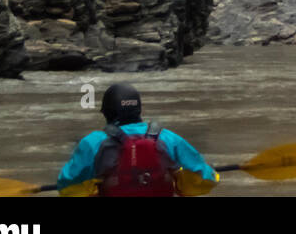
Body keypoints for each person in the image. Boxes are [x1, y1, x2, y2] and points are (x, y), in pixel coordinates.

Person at [58, 82, 219, 196]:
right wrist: (208, 173)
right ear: (138, 110)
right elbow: (203, 182)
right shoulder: (168, 138)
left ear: (107, 113)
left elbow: (69, 189)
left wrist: (96, 185)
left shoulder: (93, 143)